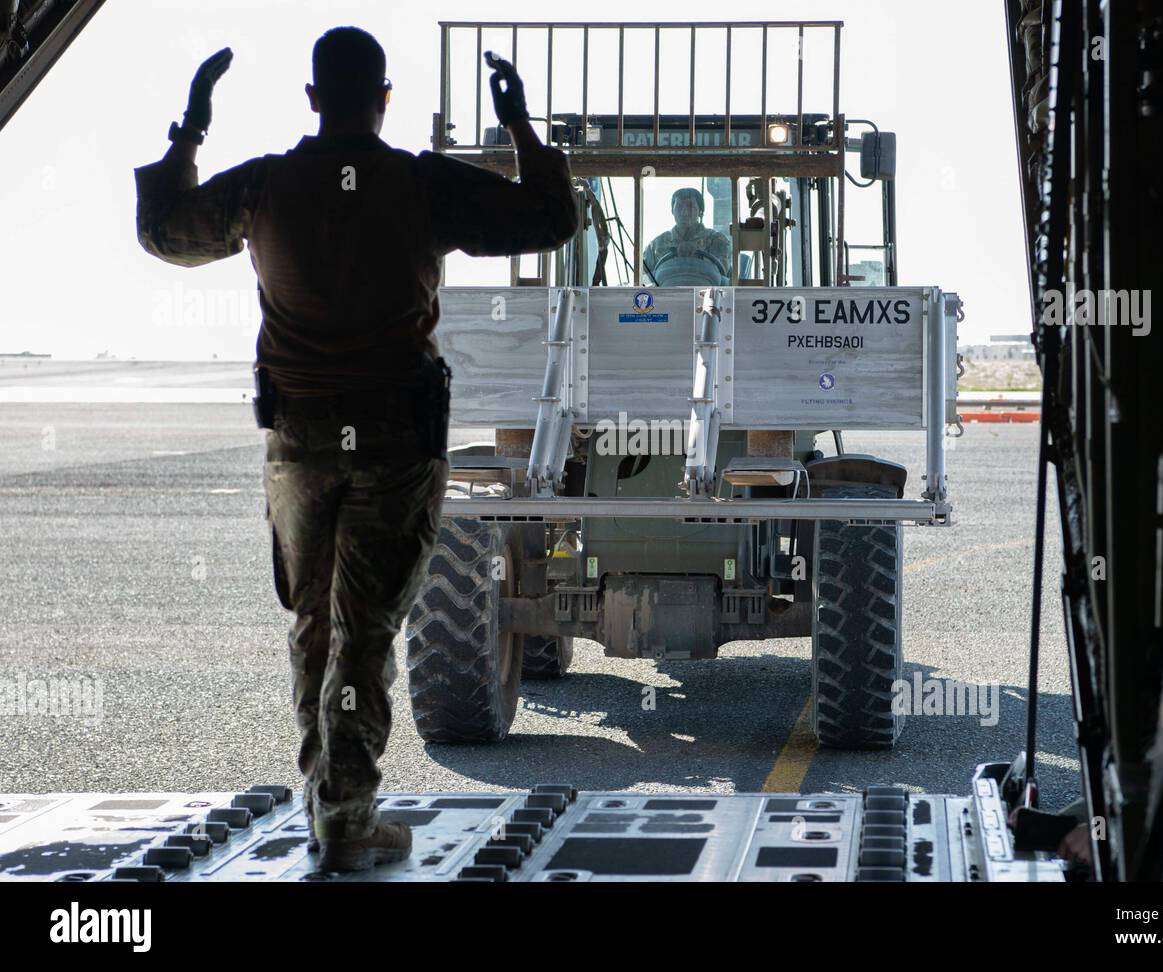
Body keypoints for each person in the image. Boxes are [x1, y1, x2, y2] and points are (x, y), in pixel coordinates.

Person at [134, 27, 579, 872]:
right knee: (364, 631)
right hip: (393, 444)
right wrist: (519, 126)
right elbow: (550, 218)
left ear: (312, 98)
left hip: (299, 447)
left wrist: (188, 130)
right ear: (384, 98)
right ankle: (345, 816)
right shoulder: (419, 187)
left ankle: (329, 804)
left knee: (313, 626)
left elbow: (166, 231)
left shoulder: (264, 187)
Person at [641, 187, 731, 284]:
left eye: (690, 206)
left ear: (700, 212)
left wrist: (697, 257)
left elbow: (723, 272)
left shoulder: (716, 240)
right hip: (665, 297)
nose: (684, 212)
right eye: (679, 206)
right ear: (672, 211)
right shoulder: (656, 245)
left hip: (708, 296)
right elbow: (642, 278)